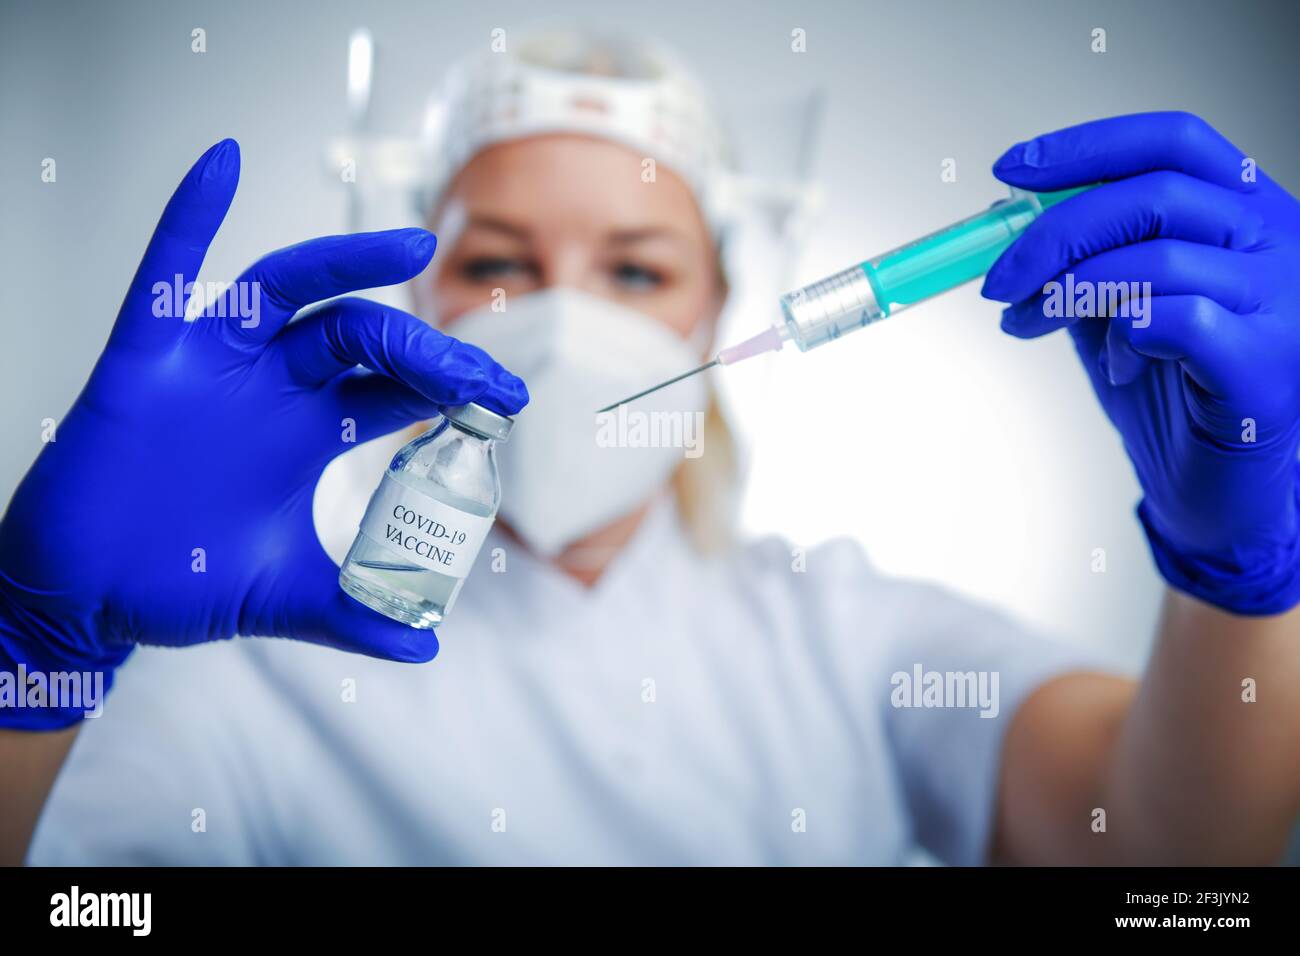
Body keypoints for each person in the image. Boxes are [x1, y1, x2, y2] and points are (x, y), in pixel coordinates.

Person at [3, 32, 1300, 866]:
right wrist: (27, 671)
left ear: (718, 308)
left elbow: (1170, 860)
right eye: (500, 263)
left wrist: (1233, 569)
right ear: (416, 300)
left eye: (637, 268)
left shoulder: (847, 640)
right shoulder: (233, 662)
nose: (567, 318)